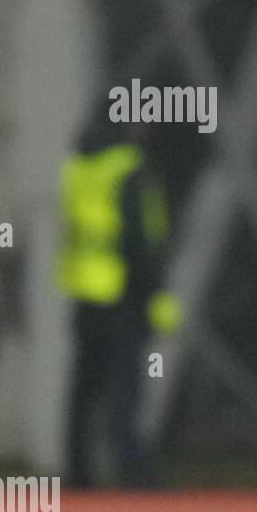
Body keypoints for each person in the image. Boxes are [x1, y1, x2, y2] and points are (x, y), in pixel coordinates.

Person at [58, 117, 180, 487]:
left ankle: (78, 471)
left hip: (84, 291)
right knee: (125, 388)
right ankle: (132, 470)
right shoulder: (128, 167)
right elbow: (139, 237)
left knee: (84, 387)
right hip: (121, 293)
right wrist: (153, 293)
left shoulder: (79, 165)